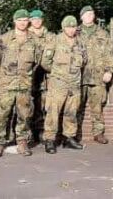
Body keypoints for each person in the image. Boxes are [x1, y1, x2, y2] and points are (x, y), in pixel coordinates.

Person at [0, 9, 40, 158]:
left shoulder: (34, 40)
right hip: (6, 84)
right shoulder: (4, 39)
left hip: (24, 84)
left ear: (29, 22)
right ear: (14, 21)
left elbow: (36, 62)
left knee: (24, 116)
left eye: (25, 20)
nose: (22, 23)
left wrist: (26, 75)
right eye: (20, 20)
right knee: (2, 114)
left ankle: (22, 142)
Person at [40, 15, 87, 152]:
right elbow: (45, 62)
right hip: (58, 83)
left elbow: (84, 61)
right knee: (53, 112)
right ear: (63, 27)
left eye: (73, 27)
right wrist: (57, 73)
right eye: (68, 27)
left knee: (71, 112)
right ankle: (49, 140)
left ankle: (69, 138)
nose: (71, 30)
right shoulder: (55, 41)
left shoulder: (80, 43)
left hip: (74, 83)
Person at [77, 5, 113, 144]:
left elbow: (109, 53)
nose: (89, 16)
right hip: (79, 76)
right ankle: (74, 134)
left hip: (98, 76)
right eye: (86, 14)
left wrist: (109, 70)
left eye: (91, 14)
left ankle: (98, 133)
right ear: (81, 17)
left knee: (97, 107)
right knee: (76, 106)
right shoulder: (75, 32)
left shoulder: (102, 33)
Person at [28, 9, 55, 143]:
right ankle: (29, 132)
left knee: (44, 105)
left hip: (45, 77)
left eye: (38, 19)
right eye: (33, 19)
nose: (36, 21)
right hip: (29, 76)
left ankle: (40, 131)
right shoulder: (25, 35)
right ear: (30, 21)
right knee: (28, 104)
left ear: (42, 20)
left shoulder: (51, 37)